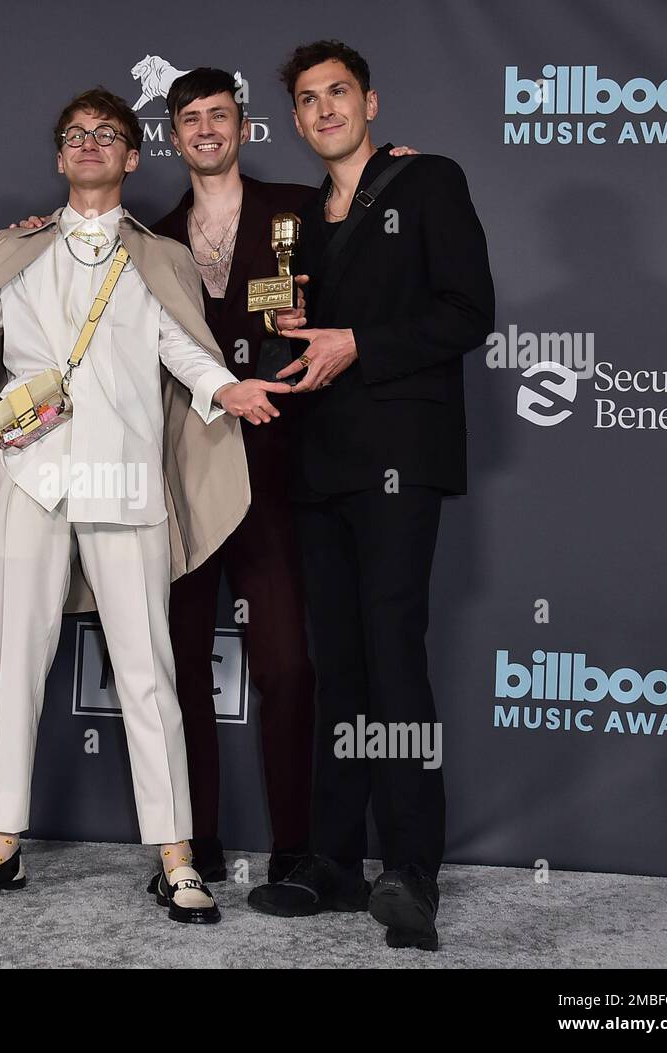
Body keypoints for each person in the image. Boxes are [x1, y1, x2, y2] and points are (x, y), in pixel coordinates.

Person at [0, 87, 288, 924]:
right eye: (76, 135)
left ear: (131, 157)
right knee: (14, 665)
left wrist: (232, 389)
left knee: (150, 673)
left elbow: (186, 354)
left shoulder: (161, 258)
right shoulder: (16, 251)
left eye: (108, 135)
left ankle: (177, 858)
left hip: (126, 485)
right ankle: (1, 845)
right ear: (59, 156)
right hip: (28, 483)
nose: (90, 145)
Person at [245, 42, 494, 952]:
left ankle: (413, 872)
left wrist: (359, 343)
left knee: (394, 659)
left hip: (400, 456)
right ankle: (335, 864)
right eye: (307, 101)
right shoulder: (306, 215)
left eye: (336, 94)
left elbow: (469, 311)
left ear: (370, 102)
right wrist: (302, 336)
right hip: (322, 463)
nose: (322, 111)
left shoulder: (428, 181)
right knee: (337, 666)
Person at [151, 69, 417, 884]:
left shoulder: (304, 208)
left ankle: (298, 850)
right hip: (187, 473)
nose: (205, 130)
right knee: (180, 665)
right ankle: (190, 847)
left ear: (244, 126)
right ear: (172, 136)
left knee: (289, 666)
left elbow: (372, 252)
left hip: (286, 468)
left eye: (219, 116)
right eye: (189, 119)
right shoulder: (152, 238)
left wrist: (384, 173)